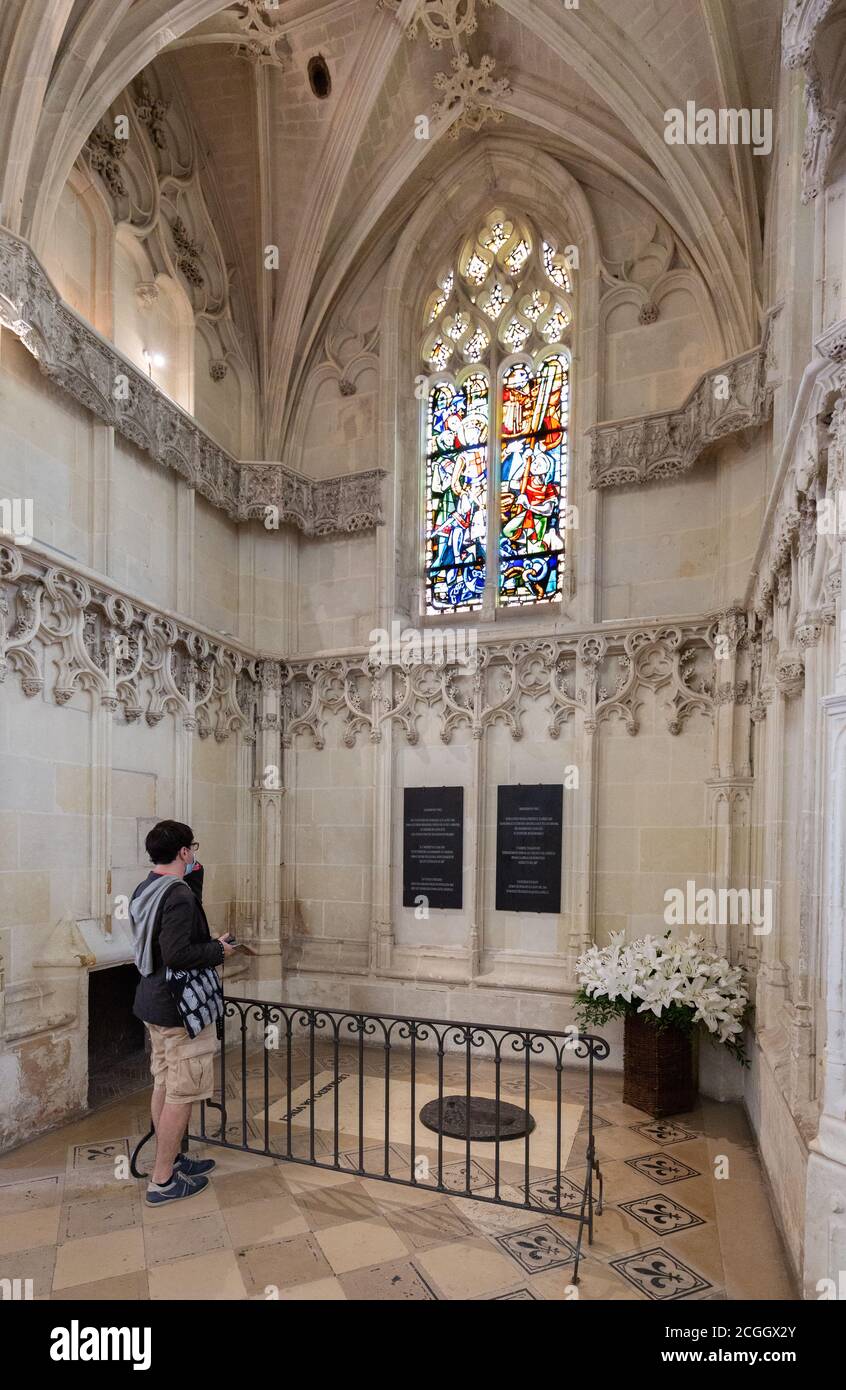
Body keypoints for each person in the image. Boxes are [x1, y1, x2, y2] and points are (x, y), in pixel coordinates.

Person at [129, 819, 236, 1205]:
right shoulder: (177, 896)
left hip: (152, 1001)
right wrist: (218, 951)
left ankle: (170, 1159)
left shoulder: (148, 887)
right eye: (193, 849)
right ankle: (161, 1180)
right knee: (182, 1091)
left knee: (164, 1083)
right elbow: (178, 954)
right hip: (178, 1011)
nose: (196, 855)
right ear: (184, 852)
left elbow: (163, 945)